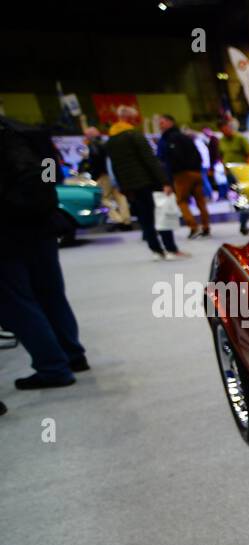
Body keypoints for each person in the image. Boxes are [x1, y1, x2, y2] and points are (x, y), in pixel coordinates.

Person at [0, 116, 89, 391]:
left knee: (18, 302)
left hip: (6, 230)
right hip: (42, 224)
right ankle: (73, 355)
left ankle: (52, 367)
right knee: (51, 293)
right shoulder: (28, 132)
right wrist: (42, 197)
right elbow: (53, 174)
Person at [106, 107, 182, 260]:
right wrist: (164, 181)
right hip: (148, 182)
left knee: (144, 218)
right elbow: (150, 160)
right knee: (161, 214)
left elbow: (114, 166)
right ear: (129, 119)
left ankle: (155, 250)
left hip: (131, 187)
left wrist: (122, 185)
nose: (137, 121)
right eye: (135, 118)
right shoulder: (134, 135)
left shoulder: (111, 140)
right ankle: (171, 249)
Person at [157, 115, 209, 238]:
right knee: (200, 201)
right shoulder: (186, 137)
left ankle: (193, 227)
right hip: (196, 172)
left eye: (162, 122)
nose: (160, 125)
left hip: (181, 174)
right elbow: (198, 155)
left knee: (182, 201)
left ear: (170, 122)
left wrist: (169, 178)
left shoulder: (169, 139)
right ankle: (206, 226)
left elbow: (169, 159)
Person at [81, 125, 130, 228]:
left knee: (103, 198)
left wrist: (93, 172)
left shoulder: (93, 145)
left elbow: (95, 161)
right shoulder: (107, 143)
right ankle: (126, 220)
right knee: (120, 197)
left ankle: (118, 219)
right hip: (114, 174)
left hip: (103, 175)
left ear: (89, 135)